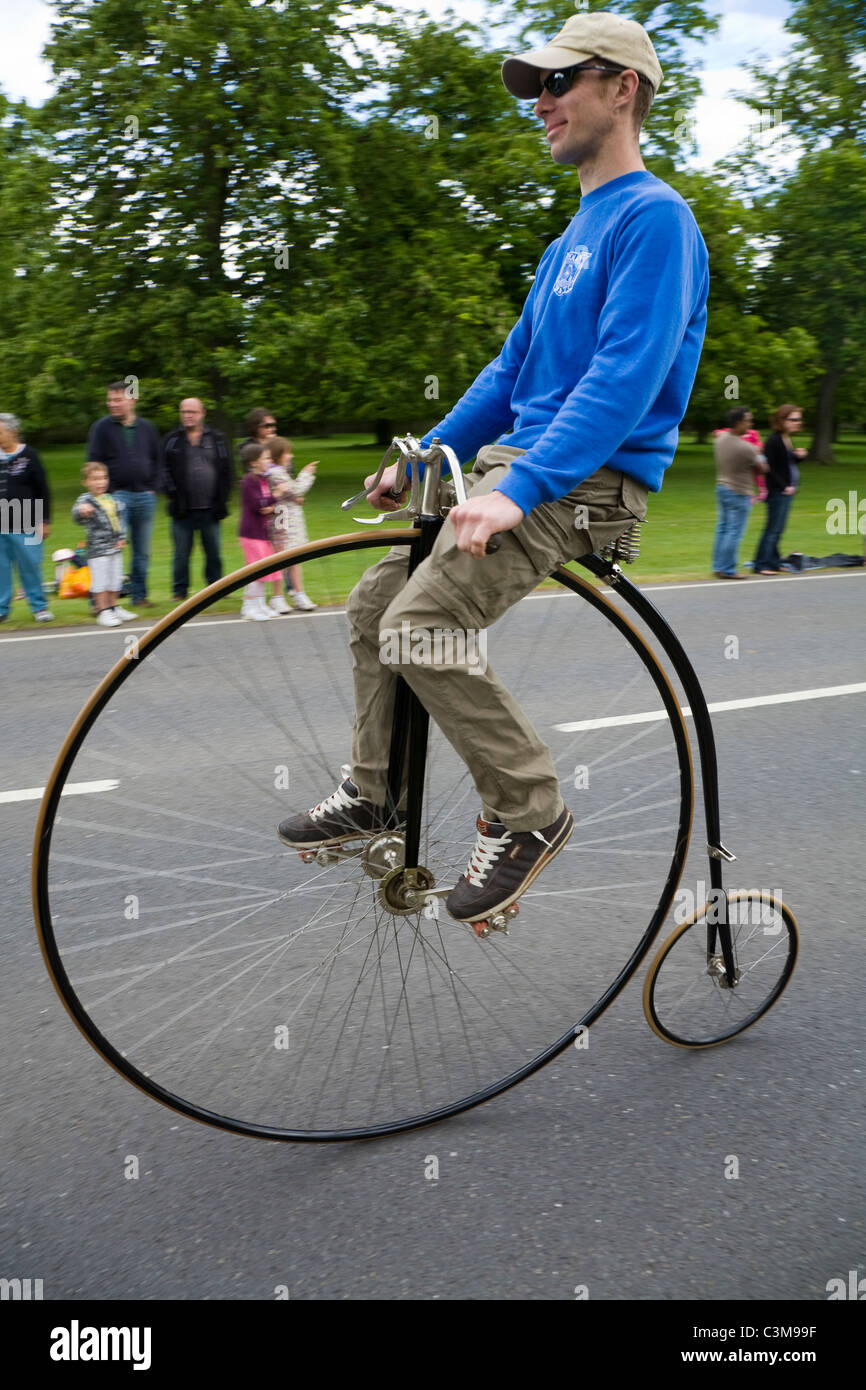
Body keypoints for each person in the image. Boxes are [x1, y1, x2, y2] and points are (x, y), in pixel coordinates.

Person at [278, 10, 710, 925]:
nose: (541, 103)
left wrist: (518, 487)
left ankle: (530, 814)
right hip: (528, 468)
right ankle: (378, 790)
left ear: (622, 87)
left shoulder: (655, 221)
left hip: (584, 484)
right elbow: (511, 376)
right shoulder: (571, 239)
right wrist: (422, 452)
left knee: (422, 621)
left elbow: (624, 380)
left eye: (560, 83)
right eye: (537, 87)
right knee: (372, 607)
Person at [86, 382, 162, 607]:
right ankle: (100, 602)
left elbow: (158, 460)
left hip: (145, 497)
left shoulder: (147, 428)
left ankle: (139, 596)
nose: (112, 404)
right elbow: (93, 462)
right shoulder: (101, 428)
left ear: (132, 400)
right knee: (108, 550)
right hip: (115, 498)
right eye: (109, 400)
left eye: (117, 399)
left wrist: (153, 487)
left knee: (142, 551)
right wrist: (106, 493)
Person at [162, 398, 234, 600]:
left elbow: (227, 471)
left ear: (202, 413)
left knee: (213, 553)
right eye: (184, 411)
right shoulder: (172, 440)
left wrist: (223, 499)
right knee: (181, 554)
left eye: (192, 411)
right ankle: (179, 591)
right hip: (182, 509)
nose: (187, 415)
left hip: (211, 508)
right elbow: (163, 470)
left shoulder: (217, 439)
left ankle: (216, 589)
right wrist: (173, 495)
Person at [0, 412, 53, 623]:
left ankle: (39, 607)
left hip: (26, 520)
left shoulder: (29, 455)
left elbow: (43, 490)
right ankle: (2, 609)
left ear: (13, 432)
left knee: (30, 565)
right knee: (1, 568)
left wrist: (45, 520)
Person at [72, 462, 136, 627]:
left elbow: (119, 520)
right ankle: (103, 611)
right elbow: (76, 515)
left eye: (103, 478)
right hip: (98, 550)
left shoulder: (111, 499)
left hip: (115, 547)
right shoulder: (86, 500)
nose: (100, 482)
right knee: (101, 581)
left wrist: (122, 537)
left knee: (115, 579)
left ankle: (114, 607)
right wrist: (81, 510)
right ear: (86, 482)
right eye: (95, 479)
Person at [261, 435, 318, 612]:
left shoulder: (279, 472)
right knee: (282, 561)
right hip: (282, 524)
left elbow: (289, 492)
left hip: (288, 522)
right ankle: (277, 597)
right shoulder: (276, 472)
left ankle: (299, 594)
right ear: (278, 455)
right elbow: (296, 488)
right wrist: (306, 474)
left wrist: (295, 498)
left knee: (293, 560)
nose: (291, 456)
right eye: (288, 453)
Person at [711, 407, 767, 579]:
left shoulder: (720, 439)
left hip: (722, 487)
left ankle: (718, 566)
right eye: (748, 420)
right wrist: (761, 456)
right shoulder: (746, 447)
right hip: (739, 491)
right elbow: (763, 469)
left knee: (722, 529)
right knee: (734, 532)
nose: (751, 423)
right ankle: (728, 569)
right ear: (738, 422)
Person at [752, 404, 807, 575]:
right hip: (778, 491)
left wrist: (798, 457)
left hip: (785, 491)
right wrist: (785, 486)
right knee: (772, 529)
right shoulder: (774, 440)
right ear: (782, 420)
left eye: (798, 419)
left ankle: (774, 562)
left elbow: (785, 464)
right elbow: (768, 468)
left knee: (777, 529)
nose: (797, 423)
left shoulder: (786, 438)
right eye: (793, 419)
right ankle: (761, 564)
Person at [238, 441, 282, 620]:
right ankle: (249, 606)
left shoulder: (262, 480)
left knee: (262, 570)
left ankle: (260, 604)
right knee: (257, 571)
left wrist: (269, 504)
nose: (269, 461)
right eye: (265, 458)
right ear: (253, 462)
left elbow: (266, 506)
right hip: (251, 533)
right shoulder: (249, 481)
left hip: (261, 533)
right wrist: (275, 496)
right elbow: (259, 504)